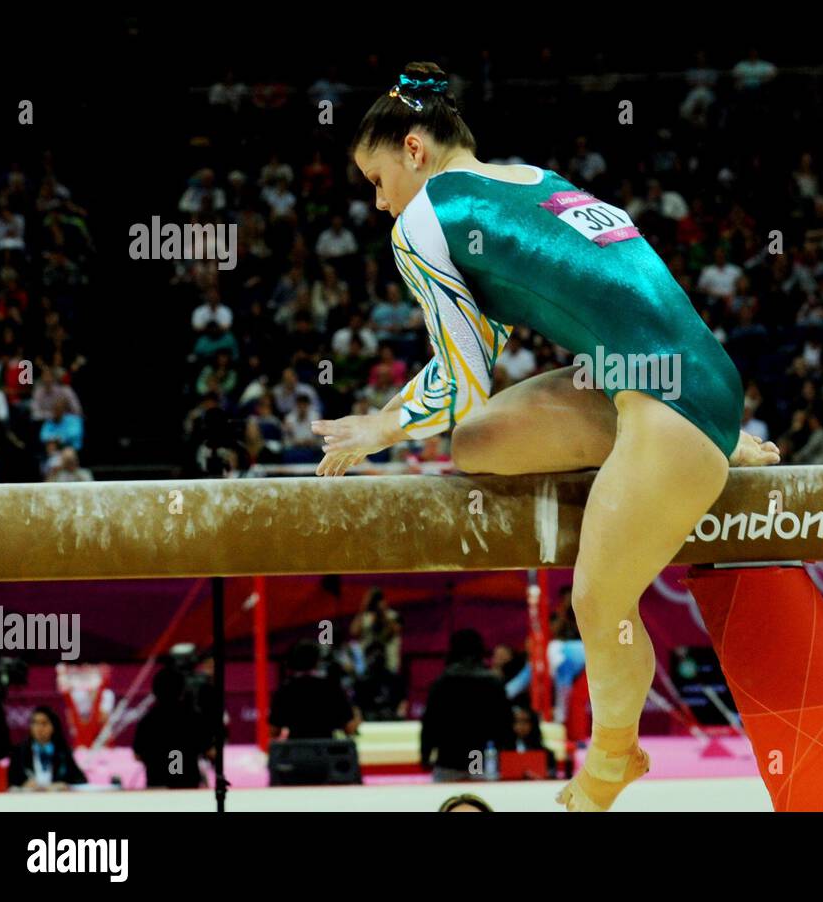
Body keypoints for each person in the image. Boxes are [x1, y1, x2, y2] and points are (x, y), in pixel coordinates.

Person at [314, 62, 779, 811]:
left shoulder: (422, 219)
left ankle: (613, 762)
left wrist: (381, 425)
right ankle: (719, 440)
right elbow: (525, 351)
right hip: (672, 370)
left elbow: (464, 372)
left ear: (413, 148)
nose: (377, 202)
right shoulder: (531, 176)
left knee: (598, 601)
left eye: (375, 178)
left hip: (669, 400)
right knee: (479, 442)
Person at [420, 629, 513, 782]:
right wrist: (509, 753)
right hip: (477, 754)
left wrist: (425, 754)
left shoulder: (442, 682)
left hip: (448, 756)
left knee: (448, 800)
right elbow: (505, 724)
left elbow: (430, 722)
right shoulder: (492, 682)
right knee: (476, 796)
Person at [132, 665, 213, 788]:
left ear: (155, 690)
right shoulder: (193, 717)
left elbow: (137, 756)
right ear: (182, 690)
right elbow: (209, 751)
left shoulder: (147, 721)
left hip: (156, 784)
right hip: (188, 784)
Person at [268, 640, 357, 740]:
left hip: (295, 753)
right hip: (327, 751)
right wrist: (355, 711)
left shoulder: (284, 690)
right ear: (318, 661)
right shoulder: (331, 688)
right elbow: (350, 729)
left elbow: (273, 731)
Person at [6, 706, 87, 791]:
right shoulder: (19, 752)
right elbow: (11, 783)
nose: (39, 728)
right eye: (35, 723)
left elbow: (81, 780)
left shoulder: (63, 751)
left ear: (53, 726)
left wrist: (64, 785)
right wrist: (24, 785)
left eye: (44, 723)